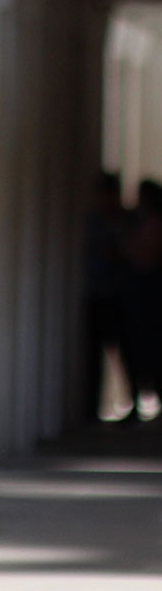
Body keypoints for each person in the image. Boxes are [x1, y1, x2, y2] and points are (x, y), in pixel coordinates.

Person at [85, 172, 127, 423]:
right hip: (98, 293)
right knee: (94, 353)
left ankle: (129, 400)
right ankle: (92, 406)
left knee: (127, 350)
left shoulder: (123, 220)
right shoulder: (94, 221)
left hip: (121, 294)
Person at [120, 180, 162, 422]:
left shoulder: (152, 223)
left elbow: (146, 257)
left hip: (149, 294)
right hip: (142, 293)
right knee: (137, 348)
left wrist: (127, 246)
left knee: (148, 348)